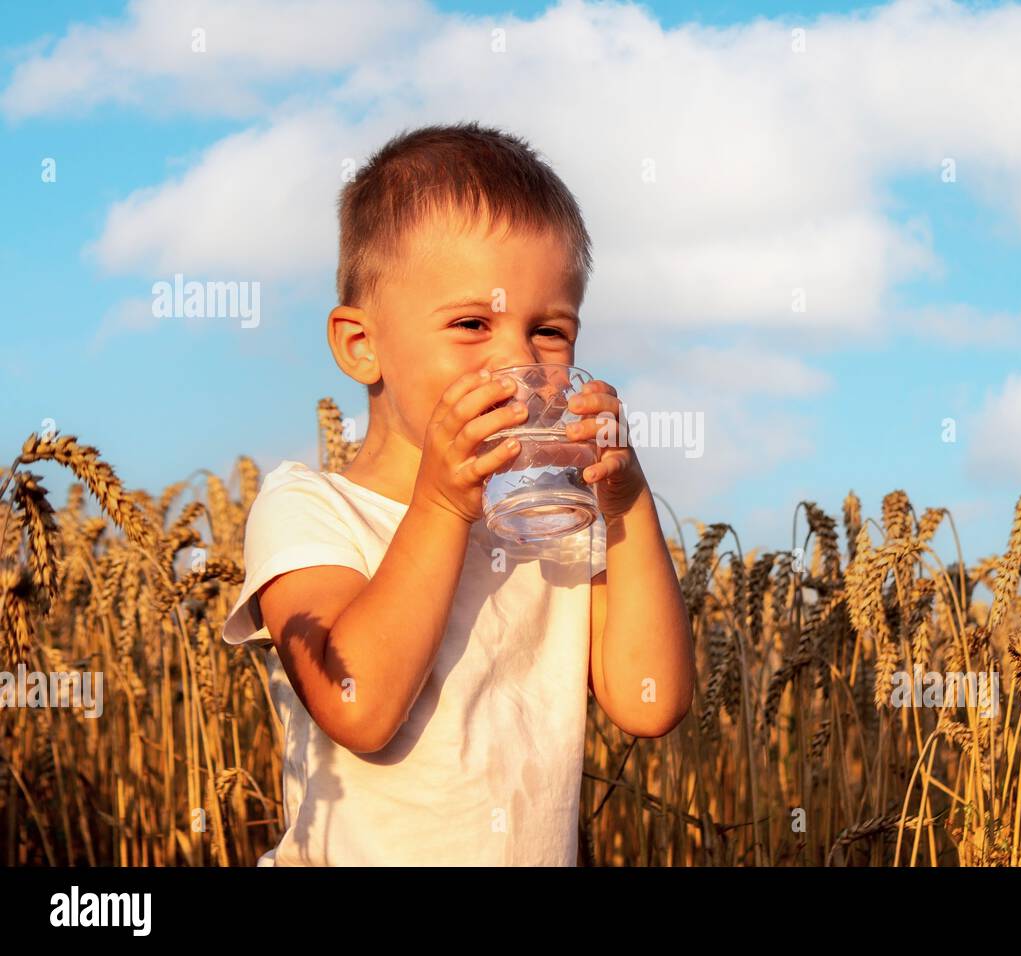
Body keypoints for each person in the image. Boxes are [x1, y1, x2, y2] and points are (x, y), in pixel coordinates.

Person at [221, 122, 693, 865]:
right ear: (361, 345)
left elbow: (650, 700)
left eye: (549, 330)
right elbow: (360, 706)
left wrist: (627, 500)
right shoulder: (310, 509)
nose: (516, 358)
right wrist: (443, 504)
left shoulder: (555, 525)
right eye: (473, 323)